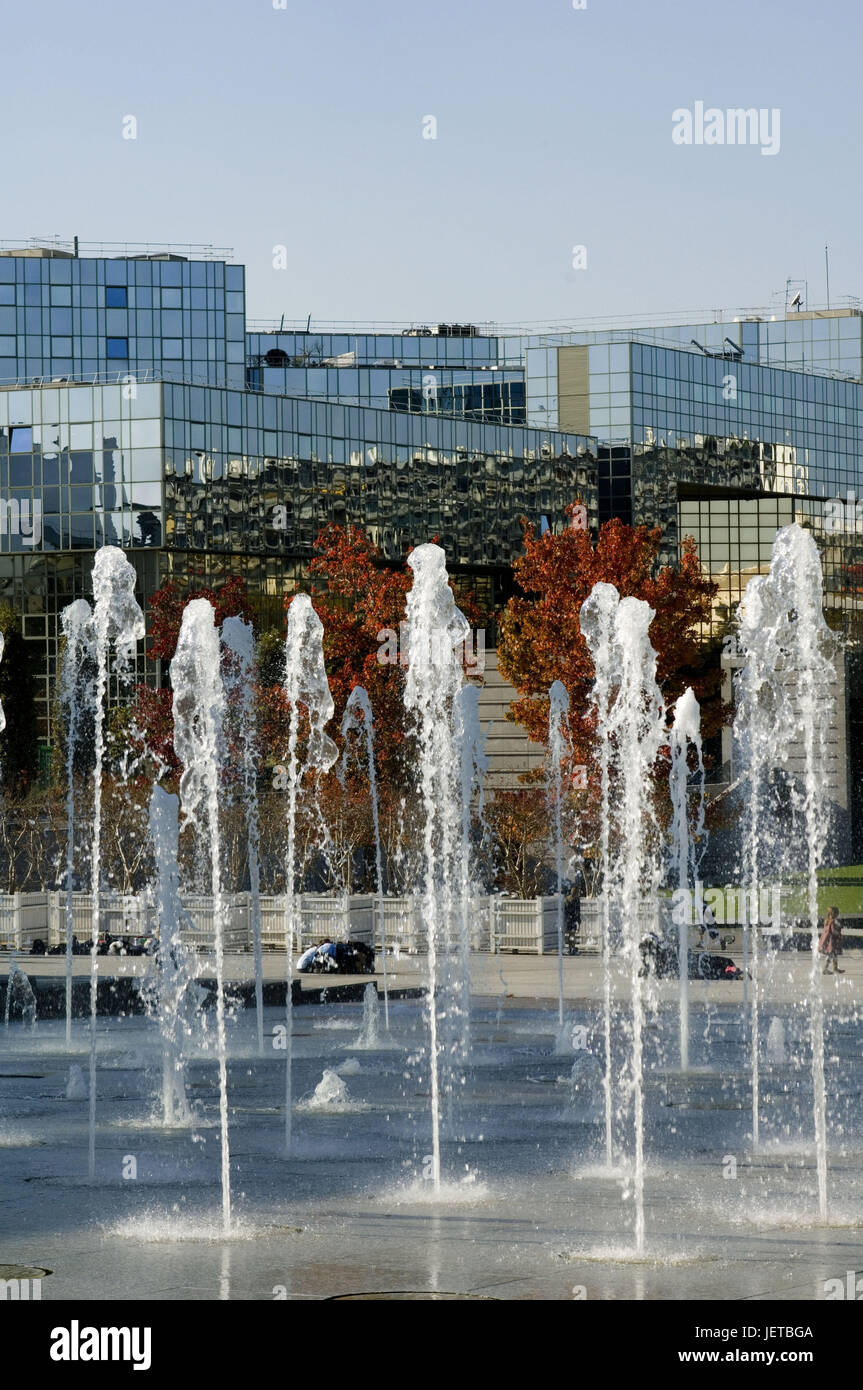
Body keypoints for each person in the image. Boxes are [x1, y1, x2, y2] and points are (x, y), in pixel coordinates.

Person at [819, 906, 844, 975]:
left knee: (834, 954)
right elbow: (833, 931)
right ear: (834, 914)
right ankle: (825, 969)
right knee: (831, 955)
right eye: (837, 914)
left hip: (829, 940)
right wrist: (839, 934)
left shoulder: (827, 920)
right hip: (832, 941)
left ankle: (835, 968)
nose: (838, 915)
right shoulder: (832, 921)